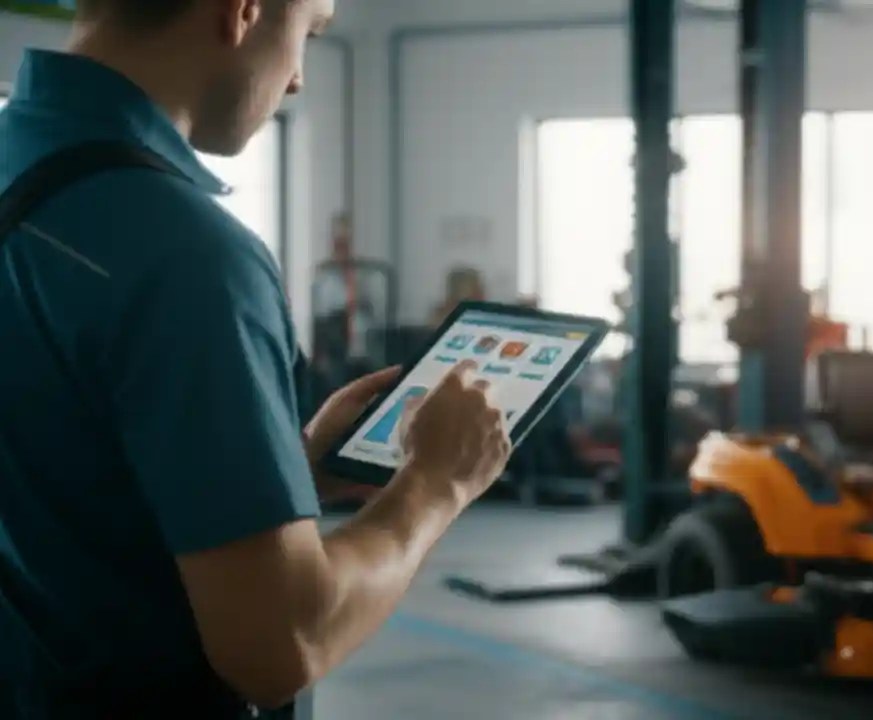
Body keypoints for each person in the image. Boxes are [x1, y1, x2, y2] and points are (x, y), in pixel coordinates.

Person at [0, 1, 510, 718]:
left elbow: (65, 472)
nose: (298, 78)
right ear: (244, 10)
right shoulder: (187, 255)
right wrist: (436, 483)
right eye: (310, 30)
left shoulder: (20, 167)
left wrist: (289, 471)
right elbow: (279, 644)